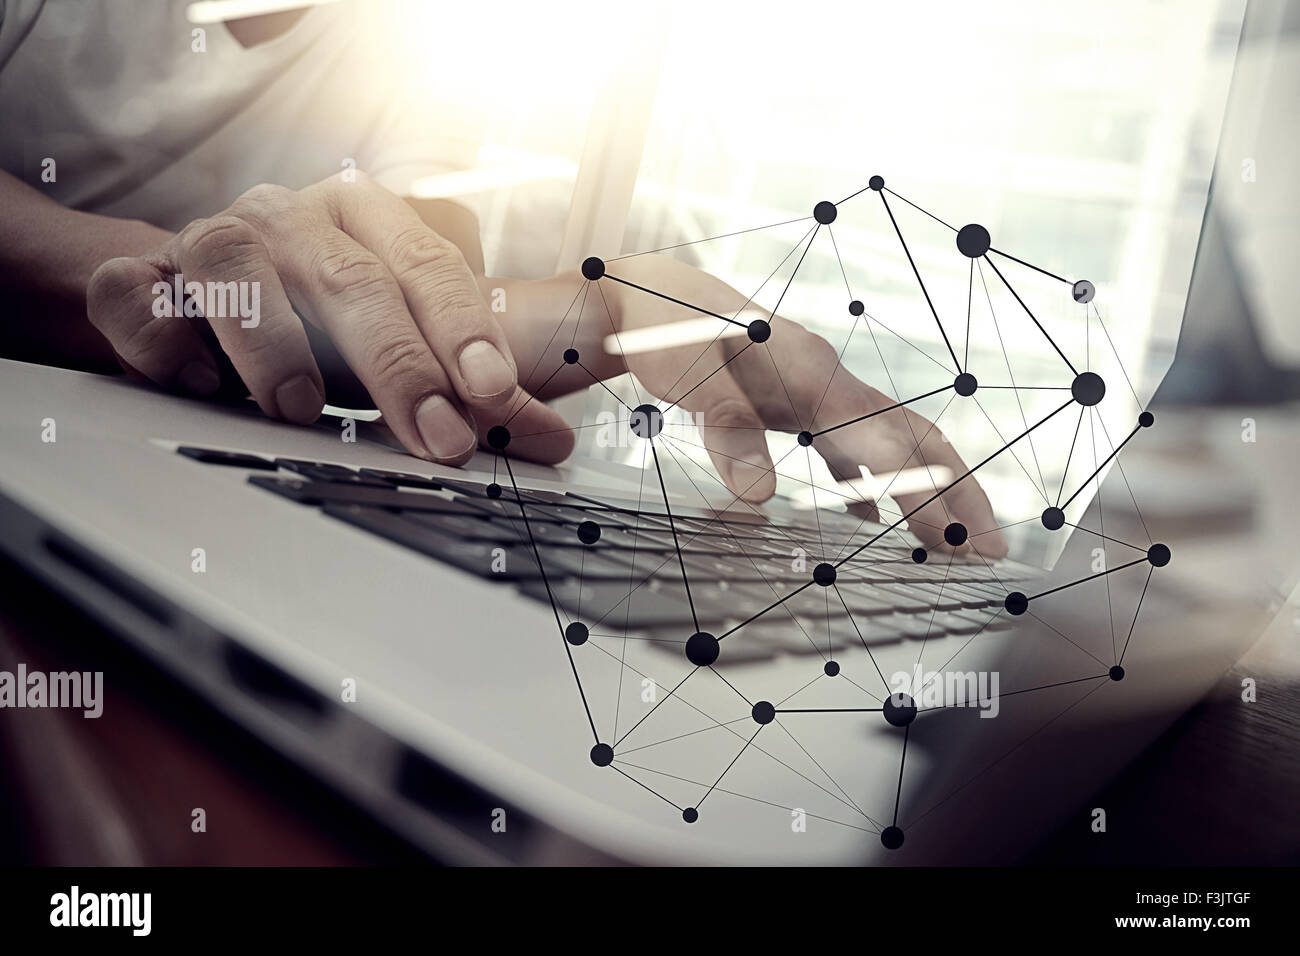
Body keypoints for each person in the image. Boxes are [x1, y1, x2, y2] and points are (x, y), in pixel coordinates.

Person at [0, 0, 1004, 557]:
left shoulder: (415, 44)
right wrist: (183, 273)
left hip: (213, 485)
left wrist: (607, 305)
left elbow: (419, 308)